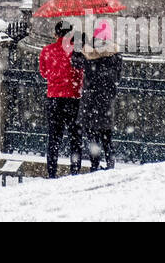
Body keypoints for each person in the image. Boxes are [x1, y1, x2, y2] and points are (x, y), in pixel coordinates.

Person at [71, 21, 123, 171]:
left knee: (93, 135)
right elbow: (117, 77)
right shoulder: (116, 55)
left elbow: (74, 62)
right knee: (107, 135)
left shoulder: (89, 54)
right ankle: (110, 164)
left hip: (91, 99)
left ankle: (95, 165)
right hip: (106, 99)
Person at [38, 18, 83, 178]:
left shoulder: (47, 50)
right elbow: (81, 73)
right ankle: (75, 170)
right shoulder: (76, 50)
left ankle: (51, 171)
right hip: (73, 98)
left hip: (54, 98)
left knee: (54, 138)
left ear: (55, 33)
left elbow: (43, 73)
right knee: (75, 137)